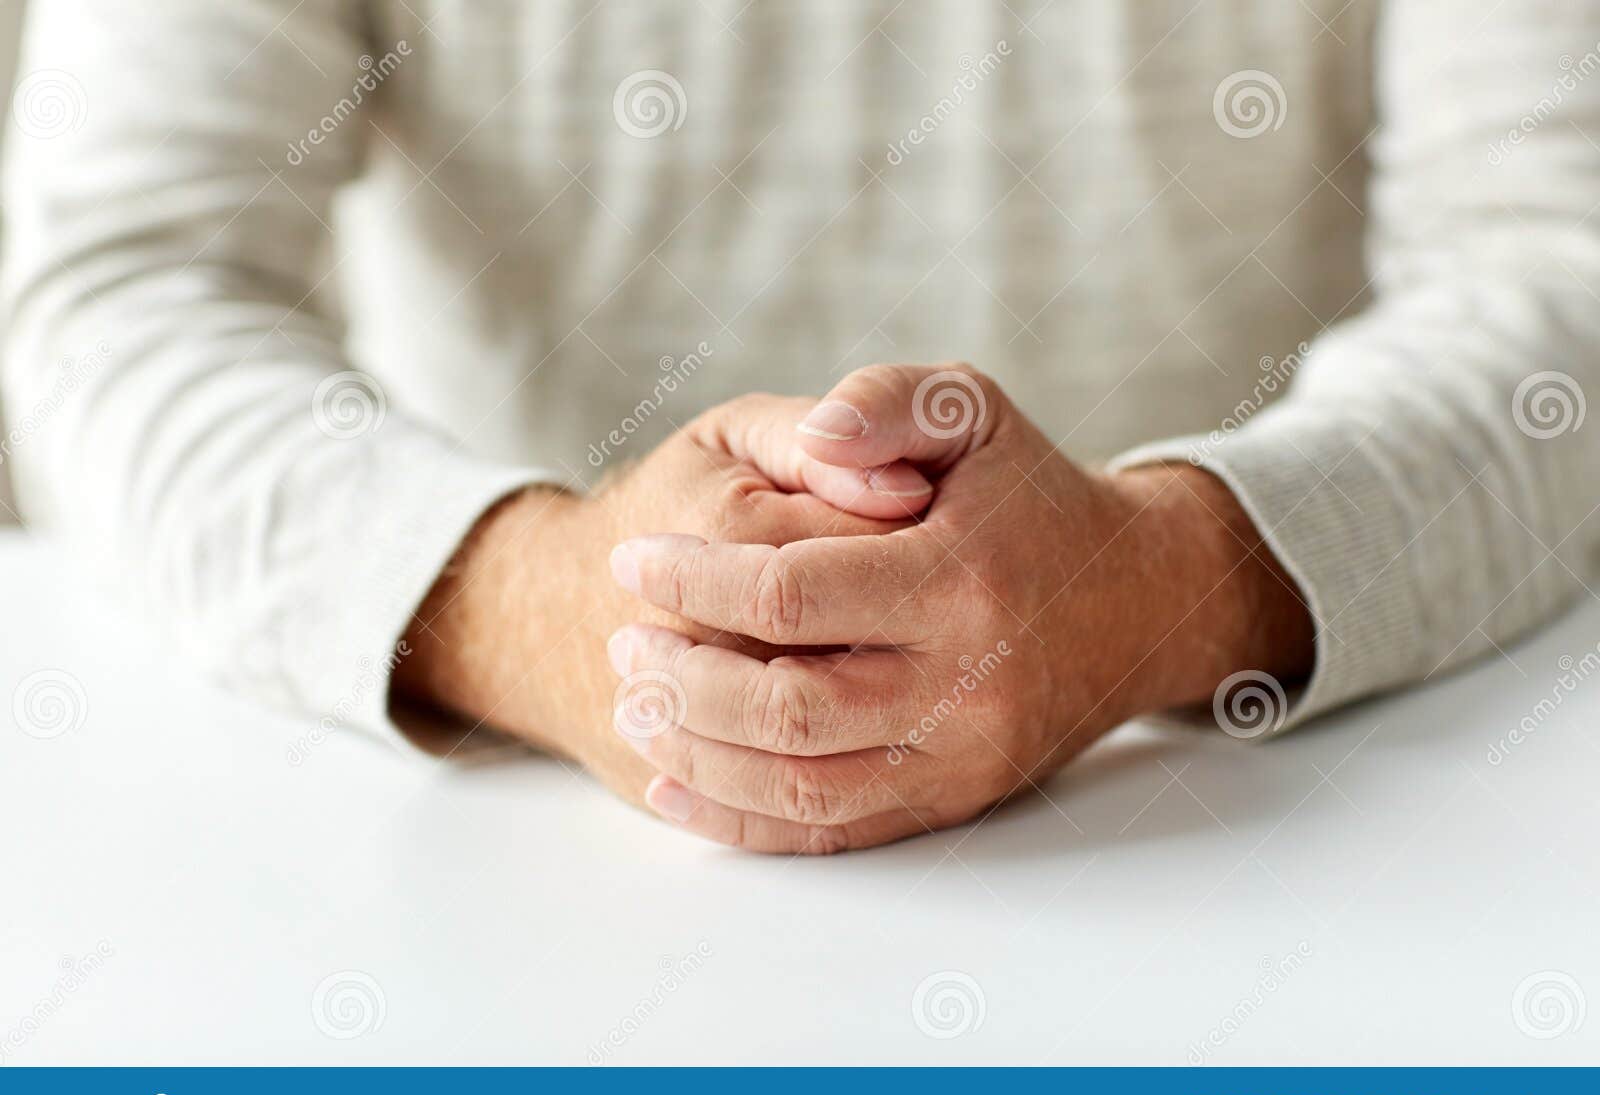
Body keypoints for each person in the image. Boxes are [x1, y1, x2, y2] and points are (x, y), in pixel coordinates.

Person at [4, 1, 1597, 853]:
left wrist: (1164, 583)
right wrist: (532, 605)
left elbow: (1556, 260)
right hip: (499, 875)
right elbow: (114, 286)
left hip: (1277, 826)